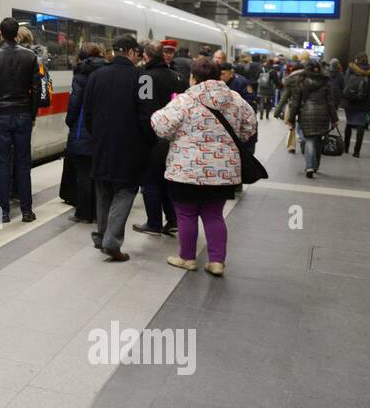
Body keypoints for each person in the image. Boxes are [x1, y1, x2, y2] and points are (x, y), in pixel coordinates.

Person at [151, 57, 256, 277]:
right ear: (219, 75)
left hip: (186, 170)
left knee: (186, 214)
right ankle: (217, 262)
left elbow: (161, 126)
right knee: (214, 215)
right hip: (222, 172)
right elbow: (250, 127)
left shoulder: (185, 99)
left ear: (193, 77)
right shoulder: (234, 98)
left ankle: (187, 258)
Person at [81, 35, 151, 261]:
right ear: (132, 53)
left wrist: (98, 135)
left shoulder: (95, 76)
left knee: (104, 189)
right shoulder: (144, 79)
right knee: (126, 189)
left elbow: (88, 114)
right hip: (131, 145)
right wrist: (148, 141)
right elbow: (146, 116)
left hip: (101, 143)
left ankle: (101, 237)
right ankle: (111, 241)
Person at [0, 17, 38, 225]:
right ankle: (27, 211)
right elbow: (37, 89)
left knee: (3, 163)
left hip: (0, 115)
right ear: (16, 34)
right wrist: (31, 114)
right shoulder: (30, 56)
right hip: (23, 114)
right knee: (23, 163)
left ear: (2, 35)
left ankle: (3, 212)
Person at [132, 42, 186, 238]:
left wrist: (144, 137)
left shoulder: (146, 77)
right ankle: (173, 221)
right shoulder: (178, 77)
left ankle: (154, 222)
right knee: (167, 180)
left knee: (150, 181)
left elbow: (144, 109)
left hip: (154, 137)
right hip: (174, 137)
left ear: (146, 56)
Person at [62, 43, 106, 223]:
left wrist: (69, 122)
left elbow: (73, 104)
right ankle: (97, 212)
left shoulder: (80, 75)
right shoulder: (106, 73)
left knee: (83, 175)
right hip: (101, 131)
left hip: (82, 130)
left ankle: (84, 212)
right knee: (97, 174)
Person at [283, 58, 339, 177]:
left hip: (306, 113)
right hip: (323, 113)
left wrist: (291, 118)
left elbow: (296, 102)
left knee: (309, 139)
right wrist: (335, 119)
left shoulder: (301, 81)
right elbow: (330, 102)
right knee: (318, 139)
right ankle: (316, 165)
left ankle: (309, 167)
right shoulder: (326, 82)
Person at [342, 54, 370, 157]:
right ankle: (357, 151)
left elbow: (345, 82)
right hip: (363, 101)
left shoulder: (351, 69)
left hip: (350, 101)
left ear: (357, 60)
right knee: (361, 125)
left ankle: (346, 148)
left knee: (349, 124)